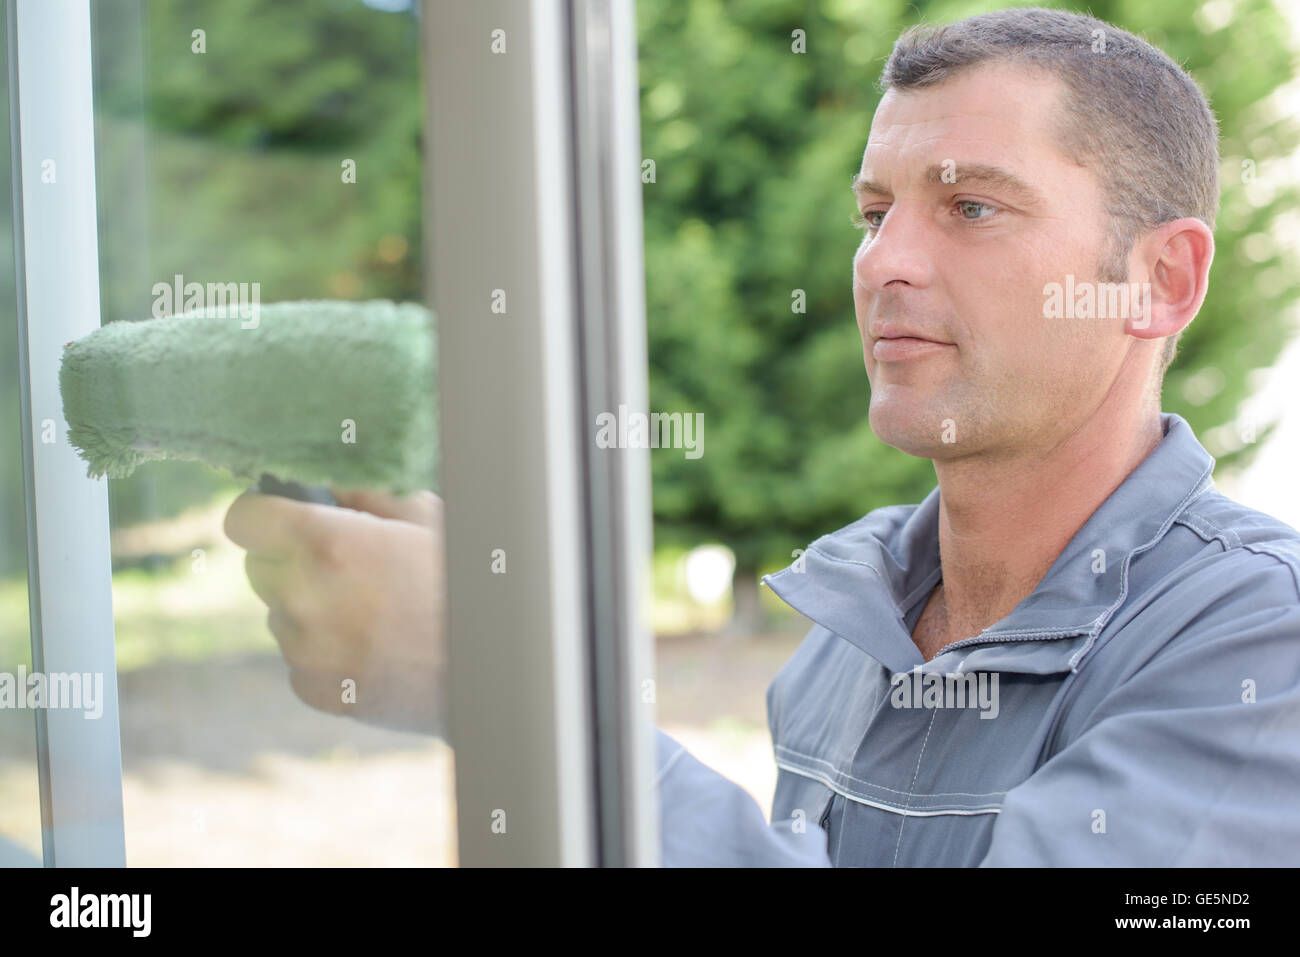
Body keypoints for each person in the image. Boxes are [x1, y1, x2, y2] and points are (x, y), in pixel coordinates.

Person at [225, 6, 1300, 866]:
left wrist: (509, 683)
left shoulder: (1258, 644)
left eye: (970, 207)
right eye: (872, 214)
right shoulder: (854, 615)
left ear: (1161, 282)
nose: (883, 263)